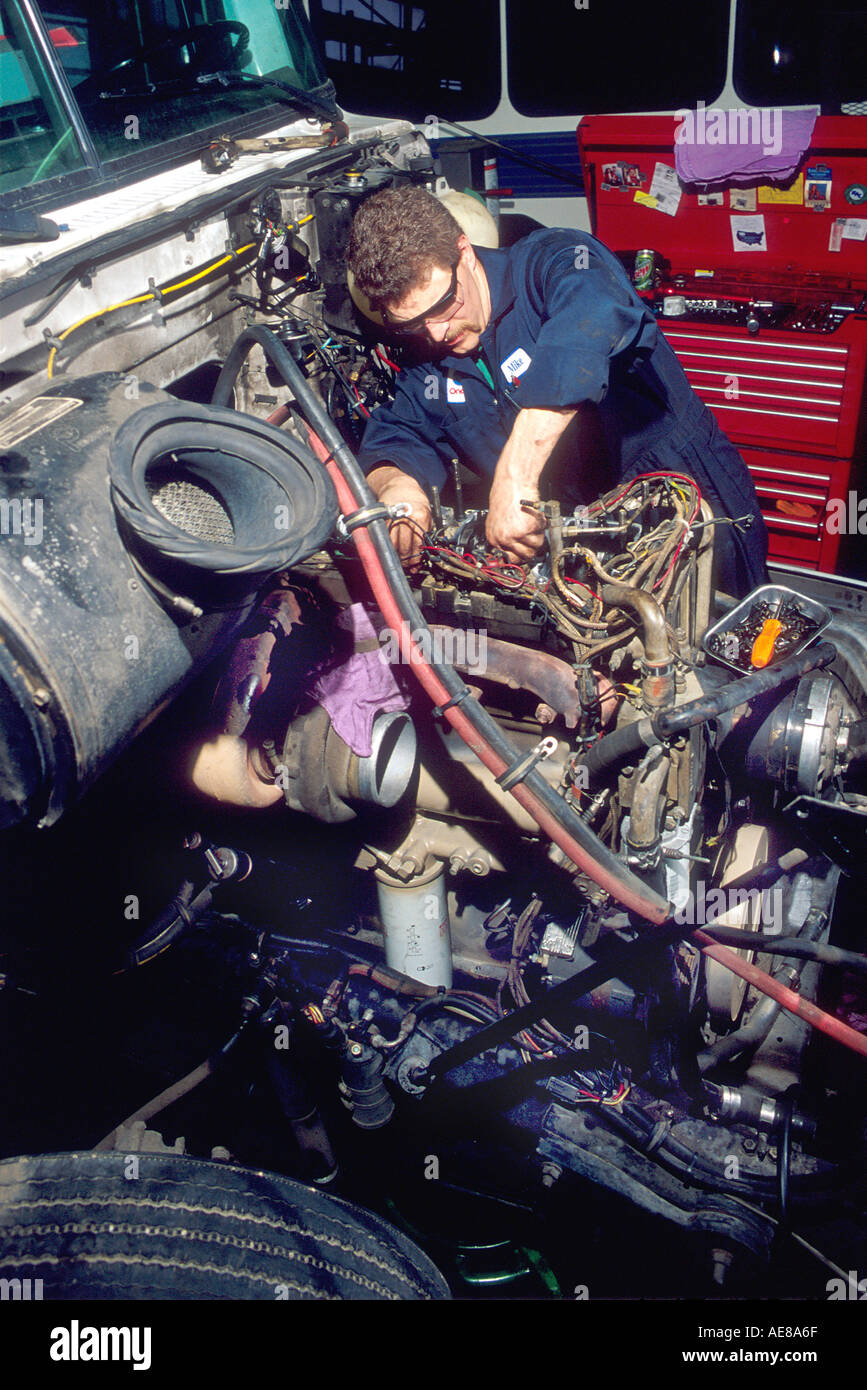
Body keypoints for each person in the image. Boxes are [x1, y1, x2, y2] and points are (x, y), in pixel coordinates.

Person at [347, 185, 768, 595]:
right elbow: (398, 435)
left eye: (443, 305)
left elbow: (592, 316)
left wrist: (515, 474)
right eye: (412, 324)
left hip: (678, 494)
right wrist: (399, 492)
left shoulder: (554, 262)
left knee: (730, 642)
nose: (435, 333)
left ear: (465, 253)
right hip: (572, 531)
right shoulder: (427, 359)